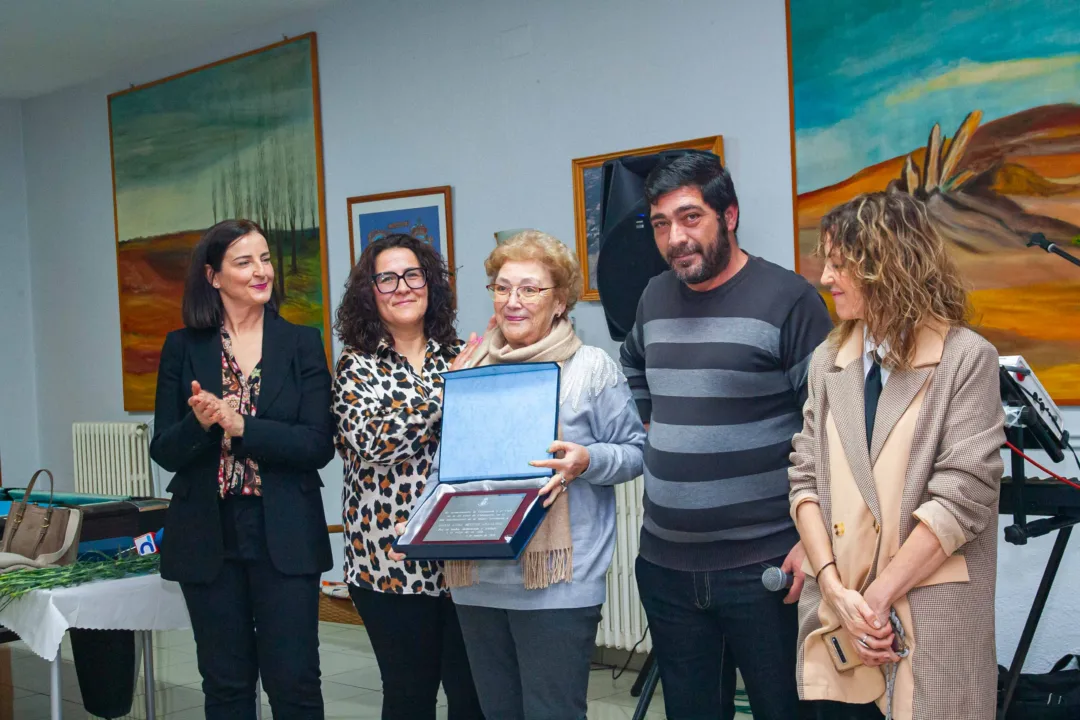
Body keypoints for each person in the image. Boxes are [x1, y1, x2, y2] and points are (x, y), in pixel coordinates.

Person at [394, 230, 646, 720]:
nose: (513, 301)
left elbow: (636, 452)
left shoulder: (590, 369)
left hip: (557, 585)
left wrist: (586, 460)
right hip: (477, 579)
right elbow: (452, 468)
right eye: (502, 287)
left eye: (530, 289)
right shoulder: (468, 368)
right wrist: (418, 527)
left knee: (553, 712)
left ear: (559, 302)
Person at [620, 152, 832, 719]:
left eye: (690, 218)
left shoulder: (790, 301)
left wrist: (815, 545)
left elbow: (835, 430)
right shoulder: (653, 297)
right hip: (666, 568)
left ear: (729, 214)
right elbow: (632, 361)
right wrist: (652, 419)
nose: (675, 238)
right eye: (661, 224)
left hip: (765, 568)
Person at [789, 192, 1004, 720]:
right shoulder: (827, 360)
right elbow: (805, 480)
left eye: (839, 264)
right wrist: (837, 593)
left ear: (886, 265)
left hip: (924, 615)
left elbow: (961, 498)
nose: (825, 278)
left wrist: (878, 599)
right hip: (843, 615)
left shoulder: (965, 359)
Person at [150, 219, 334, 720]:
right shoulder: (182, 347)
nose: (262, 271)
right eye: (245, 261)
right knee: (225, 686)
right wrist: (202, 422)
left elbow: (318, 444)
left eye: (266, 259)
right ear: (213, 277)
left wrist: (241, 426)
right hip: (208, 534)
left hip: (285, 534)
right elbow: (164, 449)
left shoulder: (301, 343)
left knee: (294, 681)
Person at [333, 233, 484, 720]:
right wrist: (450, 391)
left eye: (413, 274)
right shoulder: (357, 367)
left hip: (464, 558)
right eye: (387, 277)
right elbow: (377, 443)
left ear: (430, 284)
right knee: (409, 695)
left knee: (473, 696)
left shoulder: (460, 354)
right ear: (369, 292)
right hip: (389, 565)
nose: (402, 286)